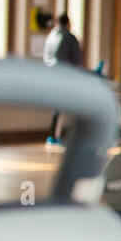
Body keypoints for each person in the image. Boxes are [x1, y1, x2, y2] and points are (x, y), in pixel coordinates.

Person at [43, 14, 82, 145]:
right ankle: (76, 136)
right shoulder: (70, 38)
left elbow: (46, 58)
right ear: (68, 24)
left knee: (57, 108)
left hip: (51, 76)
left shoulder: (50, 37)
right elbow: (76, 59)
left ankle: (54, 136)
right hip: (66, 76)